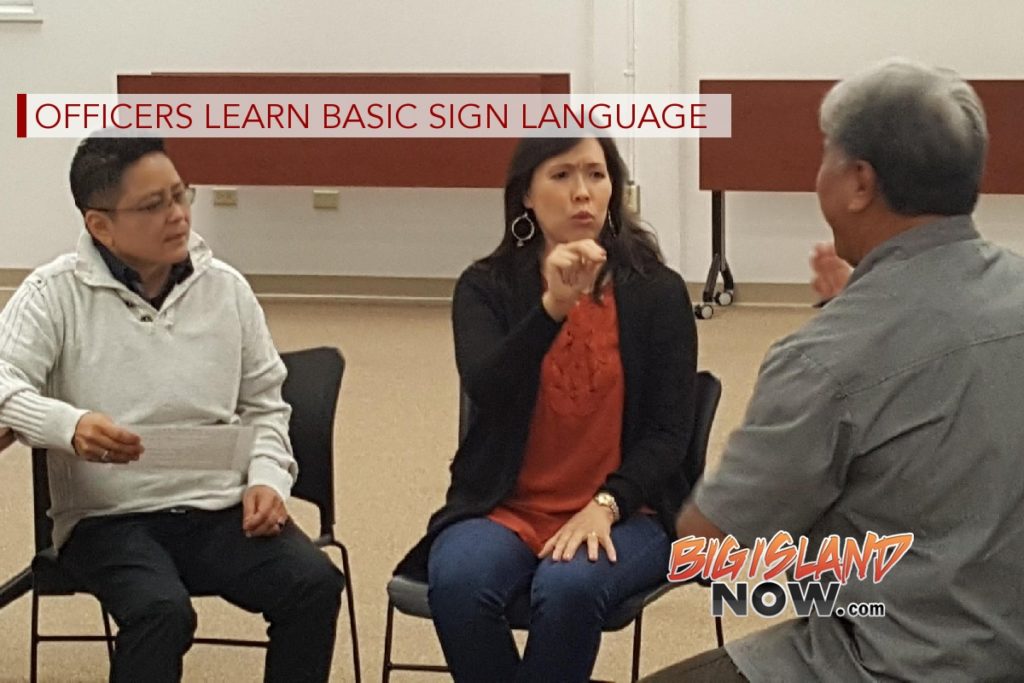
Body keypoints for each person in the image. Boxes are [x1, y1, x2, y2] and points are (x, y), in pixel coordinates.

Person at [647, 59, 1024, 681]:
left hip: (896, 660)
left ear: (858, 182)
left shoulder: (825, 358)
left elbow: (712, 548)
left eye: (825, 153)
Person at [0, 135, 344, 683]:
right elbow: (3, 382)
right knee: (162, 612)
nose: (179, 215)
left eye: (181, 195)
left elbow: (264, 404)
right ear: (100, 226)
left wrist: (268, 478)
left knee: (314, 584)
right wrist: (69, 426)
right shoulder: (53, 292)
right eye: (153, 205)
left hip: (217, 509)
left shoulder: (226, 288)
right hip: (108, 520)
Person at [394, 135, 698, 682]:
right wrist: (554, 308)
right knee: (459, 580)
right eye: (561, 176)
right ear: (526, 196)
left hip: (626, 511)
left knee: (568, 585)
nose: (582, 192)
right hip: (505, 505)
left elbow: (669, 433)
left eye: (596, 175)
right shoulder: (486, 287)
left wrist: (606, 504)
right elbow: (487, 389)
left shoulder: (657, 292)